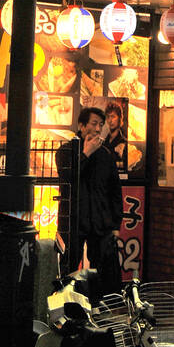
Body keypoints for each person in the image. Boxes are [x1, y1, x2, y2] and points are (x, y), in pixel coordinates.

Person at [56, 107, 123, 297]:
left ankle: (97, 304)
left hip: (100, 220)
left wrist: (115, 223)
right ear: (81, 125)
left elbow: (114, 191)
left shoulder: (105, 155)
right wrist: (85, 153)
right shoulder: (65, 151)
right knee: (68, 263)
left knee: (103, 266)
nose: (97, 129)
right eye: (93, 124)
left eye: (101, 125)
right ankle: (64, 303)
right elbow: (68, 177)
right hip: (73, 219)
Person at [104, 100, 128, 175]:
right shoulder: (104, 142)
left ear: (120, 118)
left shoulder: (124, 143)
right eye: (108, 117)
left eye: (113, 116)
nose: (110, 120)